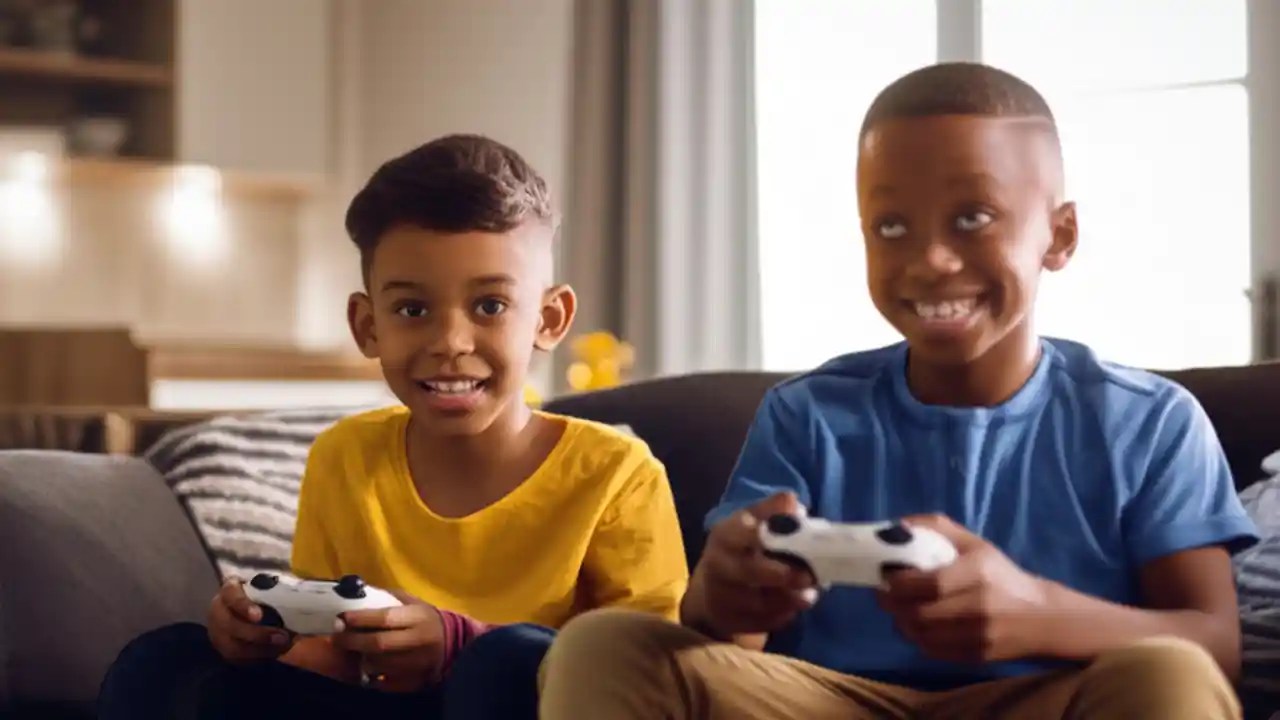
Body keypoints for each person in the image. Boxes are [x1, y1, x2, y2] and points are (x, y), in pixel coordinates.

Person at [538, 62, 1259, 720]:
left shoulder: (1151, 422)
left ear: (1059, 235)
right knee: (605, 646)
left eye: (973, 218)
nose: (931, 260)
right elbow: (730, 641)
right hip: (833, 702)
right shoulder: (806, 413)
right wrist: (723, 595)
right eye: (891, 226)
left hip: (1049, 701)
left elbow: (1215, 645)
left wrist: (1038, 612)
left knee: (1169, 676)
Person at [98, 134, 688, 719]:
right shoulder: (344, 456)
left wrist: (458, 644)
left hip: (526, 704)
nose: (450, 343)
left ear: (549, 318)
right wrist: (263, 636)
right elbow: (331, 655)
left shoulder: (617, 474)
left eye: (490, 306)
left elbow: (654, 676)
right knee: (167, 657)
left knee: (508, 659)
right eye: (412, 310)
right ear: (367, 325)